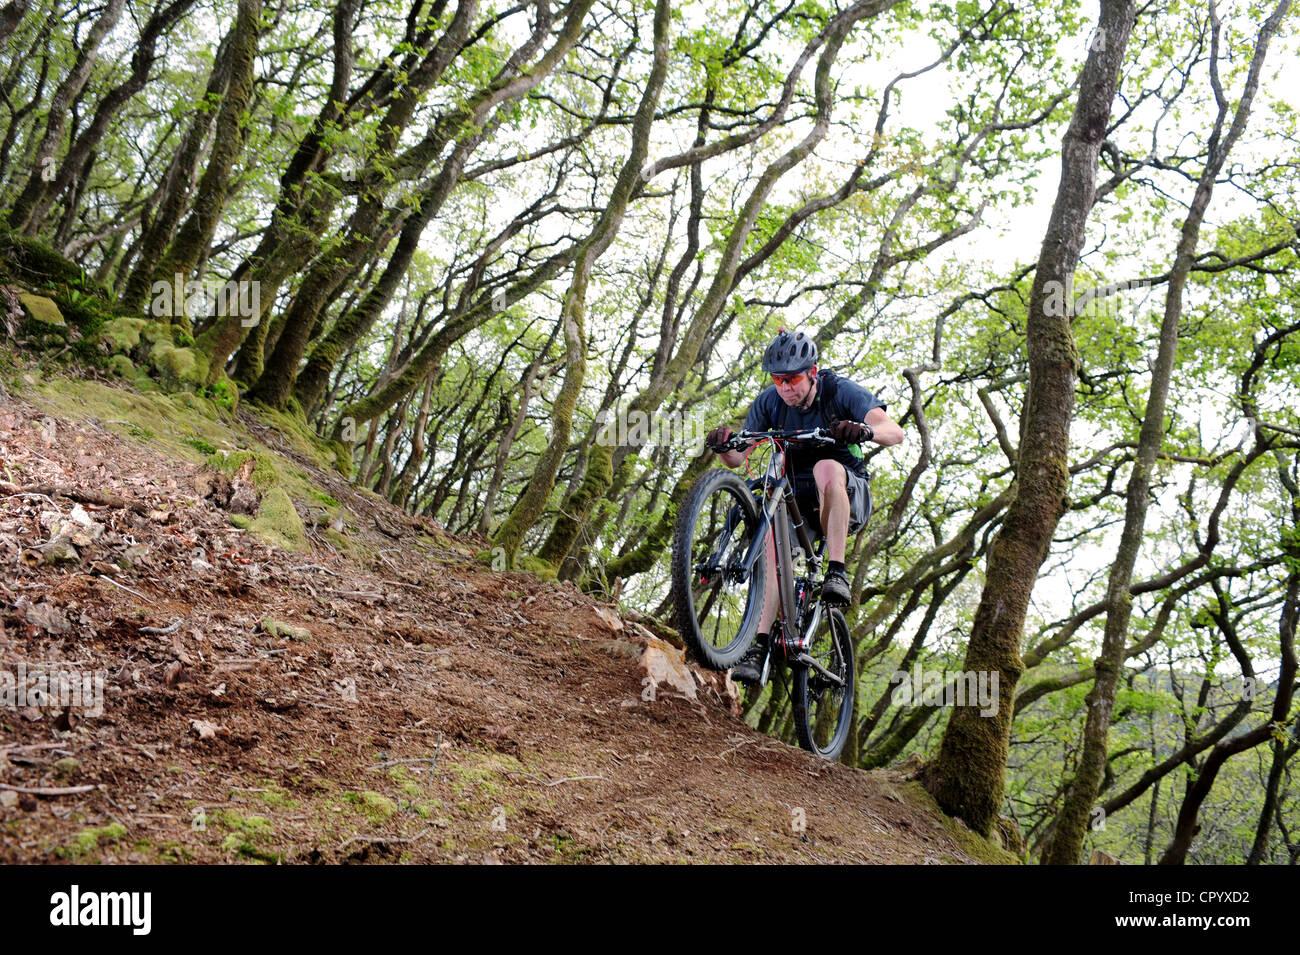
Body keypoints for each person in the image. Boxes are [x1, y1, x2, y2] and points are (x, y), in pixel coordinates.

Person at [705, 329, 904, 684]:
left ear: (812, 372)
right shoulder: (771, 402)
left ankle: (837, 572)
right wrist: (722, 445)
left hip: (844, 493)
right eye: (777, 379)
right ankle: (759, 646)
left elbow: (894, 431)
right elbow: (737, 458)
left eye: (793, 379)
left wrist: (863, 431)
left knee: (825, 467)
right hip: (796, 499)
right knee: (768, 534)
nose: (785, 387)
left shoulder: (839, 392)